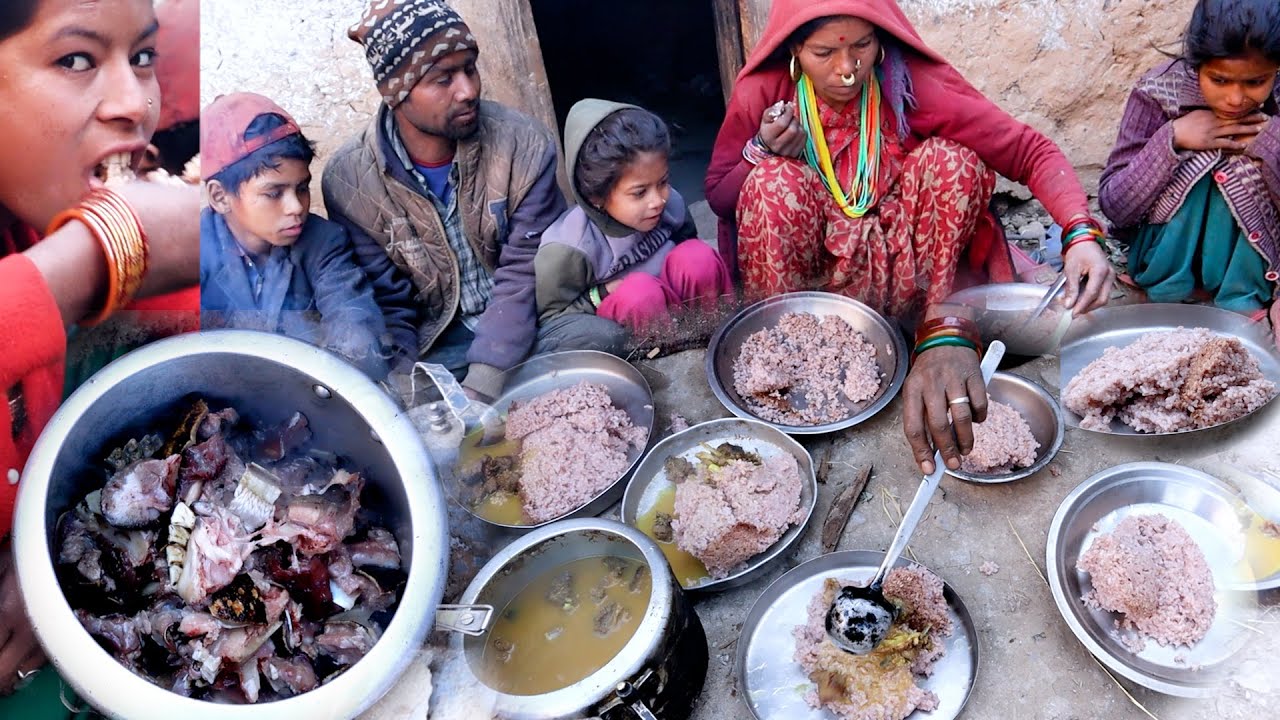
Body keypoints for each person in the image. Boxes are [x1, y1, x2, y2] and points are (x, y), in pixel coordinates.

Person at [704, 0, 1116, 474]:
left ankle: (938, 334)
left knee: (953, 162)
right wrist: (761, 150)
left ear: (881, 42)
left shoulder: (906, 82)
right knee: (772, 182)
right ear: (794, 49)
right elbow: (719, 197)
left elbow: (1027, 151)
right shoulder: (766, 91)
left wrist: (1081, 234)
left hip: (909, 275)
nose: (846, 70)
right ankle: (789, 363)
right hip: (812, 289)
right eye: (824, 54)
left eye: (862, 46)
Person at [0, 0, 200, 704]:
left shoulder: (34, 219)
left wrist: (39, 551)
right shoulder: (71, 248)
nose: (135, 104)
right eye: (76, 58)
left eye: (142, 57)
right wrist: (99, 252)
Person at [323, 0, 626, 403]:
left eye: (469, 68)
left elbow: (525, 273)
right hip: (437, 342)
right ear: (395, 91)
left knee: (603, 340)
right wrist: (405, 390)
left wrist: (484, 382)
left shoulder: (522, 143)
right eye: (443, 79)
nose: (467, 90)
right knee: (405, 410)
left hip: (526, 320)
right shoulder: (349, 181)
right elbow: (389, 304)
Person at [1099, 0, 1279, 345]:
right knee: (1210, 156)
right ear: (1196, 63)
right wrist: (1172, 138)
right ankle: (1173, 283)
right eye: (1219, 80)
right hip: (1161, 255)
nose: (1236, 98)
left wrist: (1270, 141)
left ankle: (1239, 291)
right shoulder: (1157, 92)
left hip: (1258, 264)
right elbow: (1114, 204)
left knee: (1243, 159)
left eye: (1256, 81)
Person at [200, 93, 392, 380]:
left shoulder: (323, 243)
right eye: (274, 193)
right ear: (220, 196)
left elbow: (353, 319)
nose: (297, 207)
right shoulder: (192, 253)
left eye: (302, 188)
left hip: (307, 390)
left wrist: (352, 359)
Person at [535, 100, 731, 334]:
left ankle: (714, 335)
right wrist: (603, 293)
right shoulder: (568, 249)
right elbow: (554, 319)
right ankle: (666, 359)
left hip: (679, 305)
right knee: (640, 294)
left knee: (698, 258)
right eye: (639, 193)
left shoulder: (671, 204)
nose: (658, 200)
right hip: (635, 328)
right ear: (596, 196)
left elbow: (689, 248)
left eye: (663, 182)